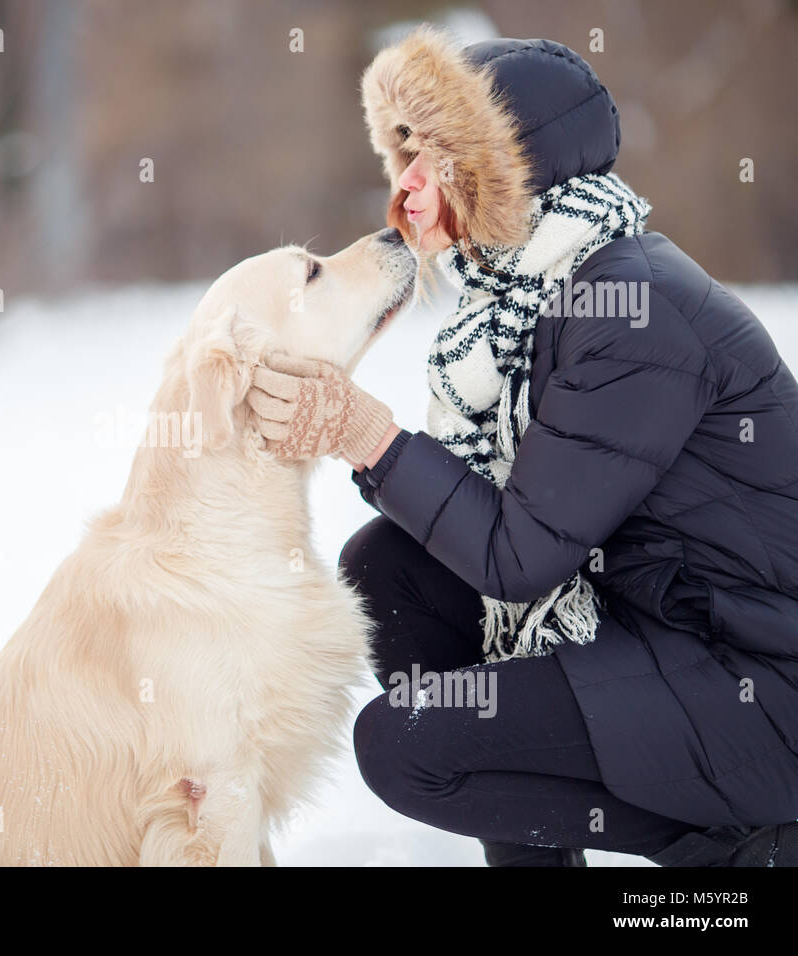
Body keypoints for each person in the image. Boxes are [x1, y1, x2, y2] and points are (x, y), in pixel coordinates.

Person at [243, 25, 798, 866]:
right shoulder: (528, 298)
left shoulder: (634, 310)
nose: (410, 187)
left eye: (437, 158)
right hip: (654, 620)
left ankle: (738, 849)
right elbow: (494, 522)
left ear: (511, 170)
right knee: (390, 571)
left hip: (760, 685)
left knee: (407, 747)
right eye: (405, 157)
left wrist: (363, 433)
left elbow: (518, 558)